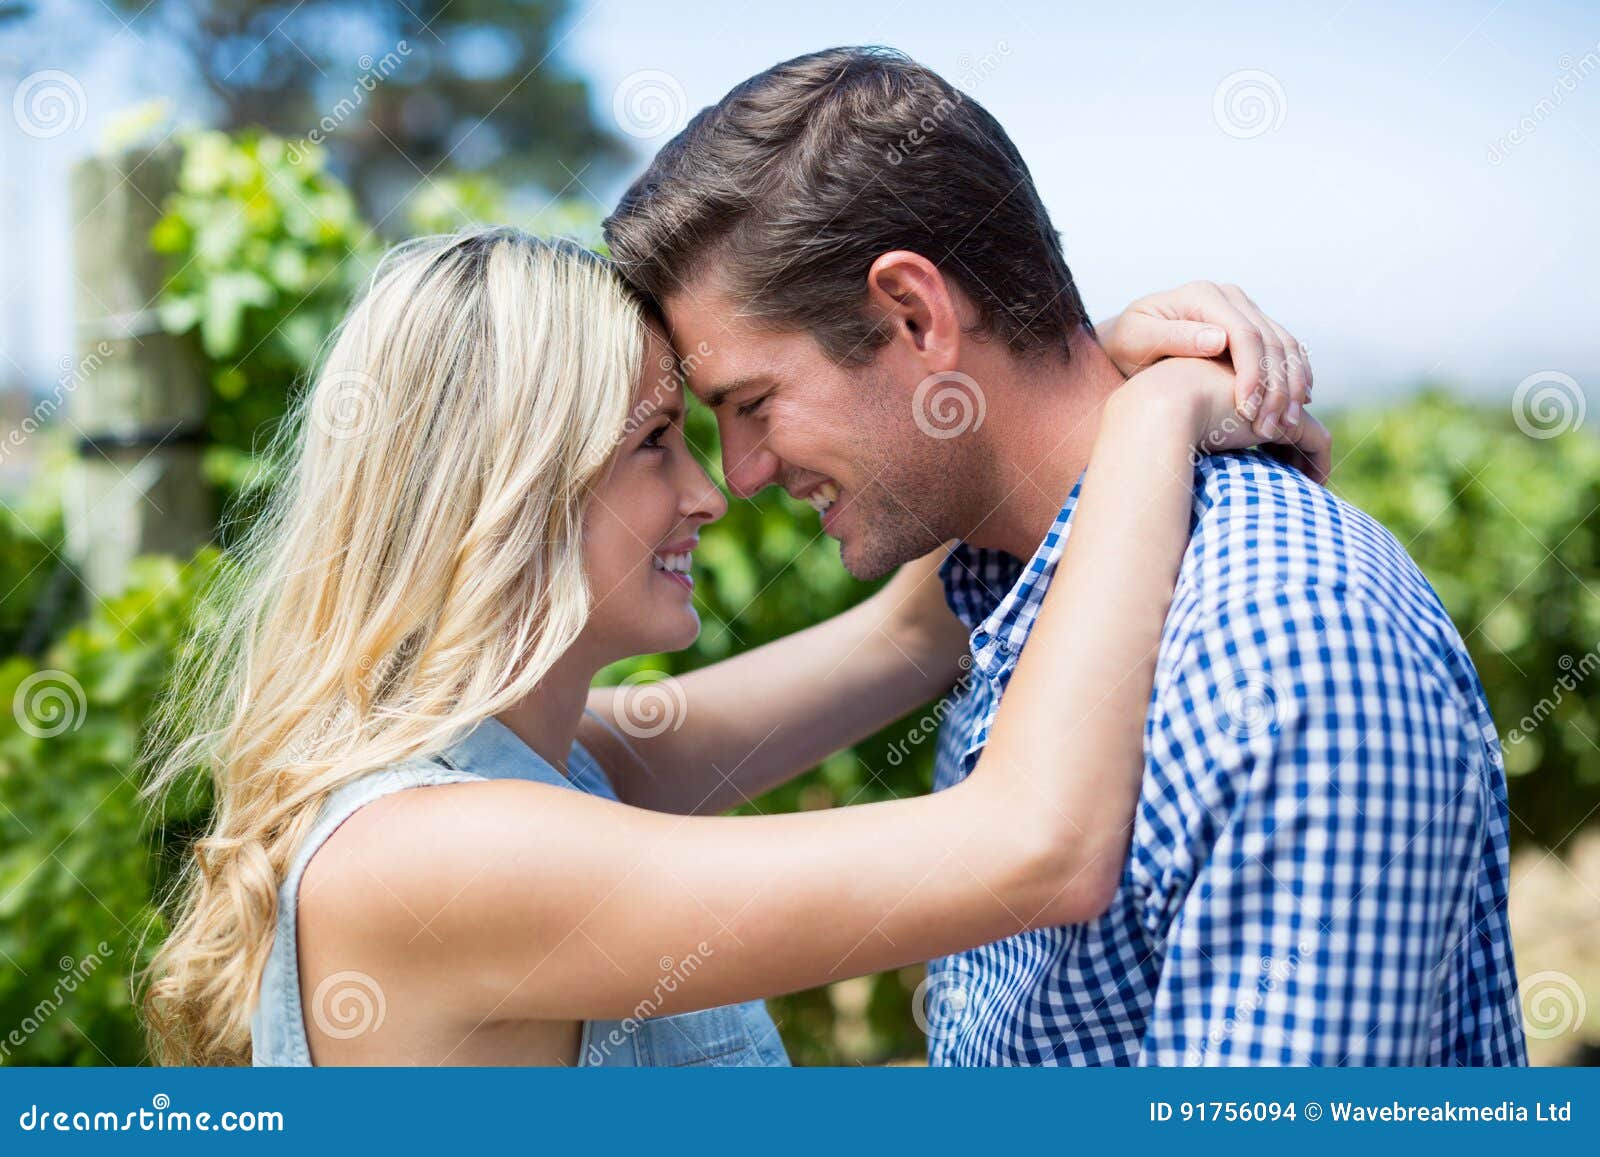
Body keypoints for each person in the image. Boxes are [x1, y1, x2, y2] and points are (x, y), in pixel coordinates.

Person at [139, 227, 1318, 1066]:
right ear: (513, 483)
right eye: (655, 441)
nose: (710, 492)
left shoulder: (549, 762)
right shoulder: (436, 857)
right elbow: (1036, 845)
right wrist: (1153, 414)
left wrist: (1063, 376)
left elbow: (907, 635)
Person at [602, 46, 1527, 1066]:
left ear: (914, 313)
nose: (738, 475)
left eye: (752, 403)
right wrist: (1138, 403)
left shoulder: (1287, 641)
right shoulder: (1008, 589)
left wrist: (1135, 404)